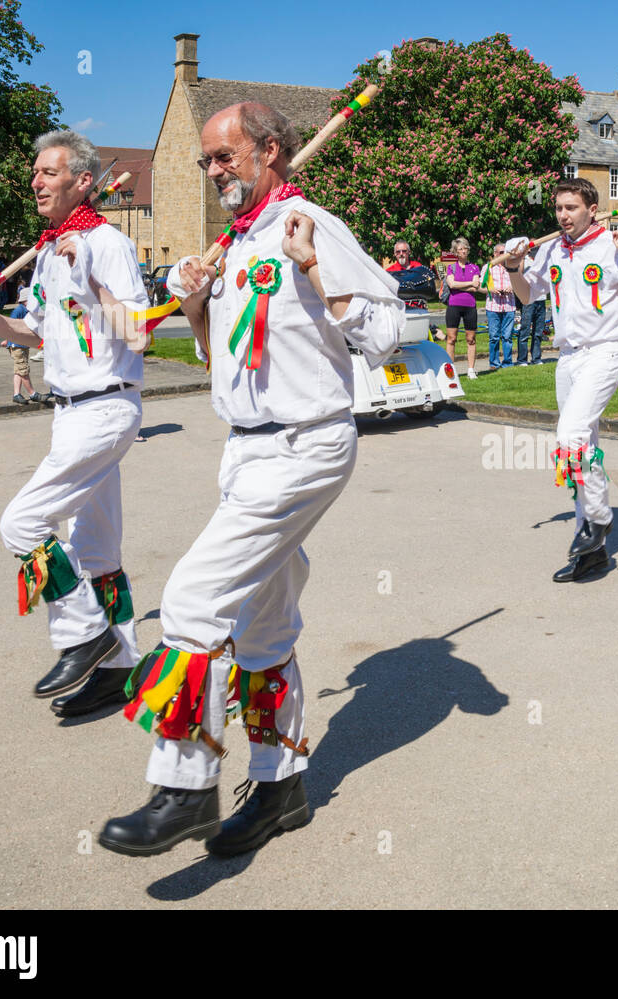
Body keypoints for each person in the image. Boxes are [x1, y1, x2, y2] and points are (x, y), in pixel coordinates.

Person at [99, 101, 403, 858]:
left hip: (306, 443)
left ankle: (184, 785)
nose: (213, 172)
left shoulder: (310, 225)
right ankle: (281, 787)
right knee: (263, 623)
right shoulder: (235, 243)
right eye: (206, 161)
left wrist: (311, 263)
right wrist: (199, 302)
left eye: (225, 157)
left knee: (195, 597)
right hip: (244, 448)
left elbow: (386, 332)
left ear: (269, 151)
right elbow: (220, 358)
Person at [0, 129, 147, 715]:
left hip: (106, 405)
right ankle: (117, 670)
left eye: (48, 173)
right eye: (34, 173)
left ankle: (82, 632)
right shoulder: (46, 251)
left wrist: (89, 278)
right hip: (67, 410)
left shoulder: (106, 244)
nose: (35, 181)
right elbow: (34, 333)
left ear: (83, 181)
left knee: (22, 523)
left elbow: (134, 331)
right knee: (97, 550)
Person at [504, 177, 618, 581]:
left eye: (571, 208)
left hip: (606, 351)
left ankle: (598, 519)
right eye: (558, 208)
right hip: (568, 357)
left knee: (571, 435)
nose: (563, 216)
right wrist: (513, 265)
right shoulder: (552, 249)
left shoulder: (615, 247)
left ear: (592, 210)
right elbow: (526, 296)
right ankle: (593, 549)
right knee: (581, 447)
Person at [4, 278, 51, 405]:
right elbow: (10, 325)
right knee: (23, 369)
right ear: (25, 300)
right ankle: (32, 393)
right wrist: (7, 339)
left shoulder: (28, 311)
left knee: (19, 369)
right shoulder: (19, 310)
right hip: (17, 344)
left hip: (23, 343)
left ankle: (16, 394)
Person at [443, 237, 481, 379]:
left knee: (471, 339)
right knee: (451, 338)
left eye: (465, 248)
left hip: (470, 306)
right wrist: (469, 284)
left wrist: (466, 284)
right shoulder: (451, 267)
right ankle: (450, 370)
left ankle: (471, 369)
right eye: (460, 249)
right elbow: (452, 285)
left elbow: (476, 286)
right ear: (456, 252)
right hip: (454, 305)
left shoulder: (474, 267)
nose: (463, 251)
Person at [485, 242, 517, 369]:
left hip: (509, 306)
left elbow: (520, 283)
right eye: (501, 253)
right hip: (494, 306)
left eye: (506, 252)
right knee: (494, 337)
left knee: (508, 337)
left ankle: (508, 363)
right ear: (495, 254)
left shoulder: (513, 267)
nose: (504, 255)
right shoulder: (488, 267)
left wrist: (512, 287)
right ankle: (494, 363)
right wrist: (492, 289)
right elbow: (482, 285)